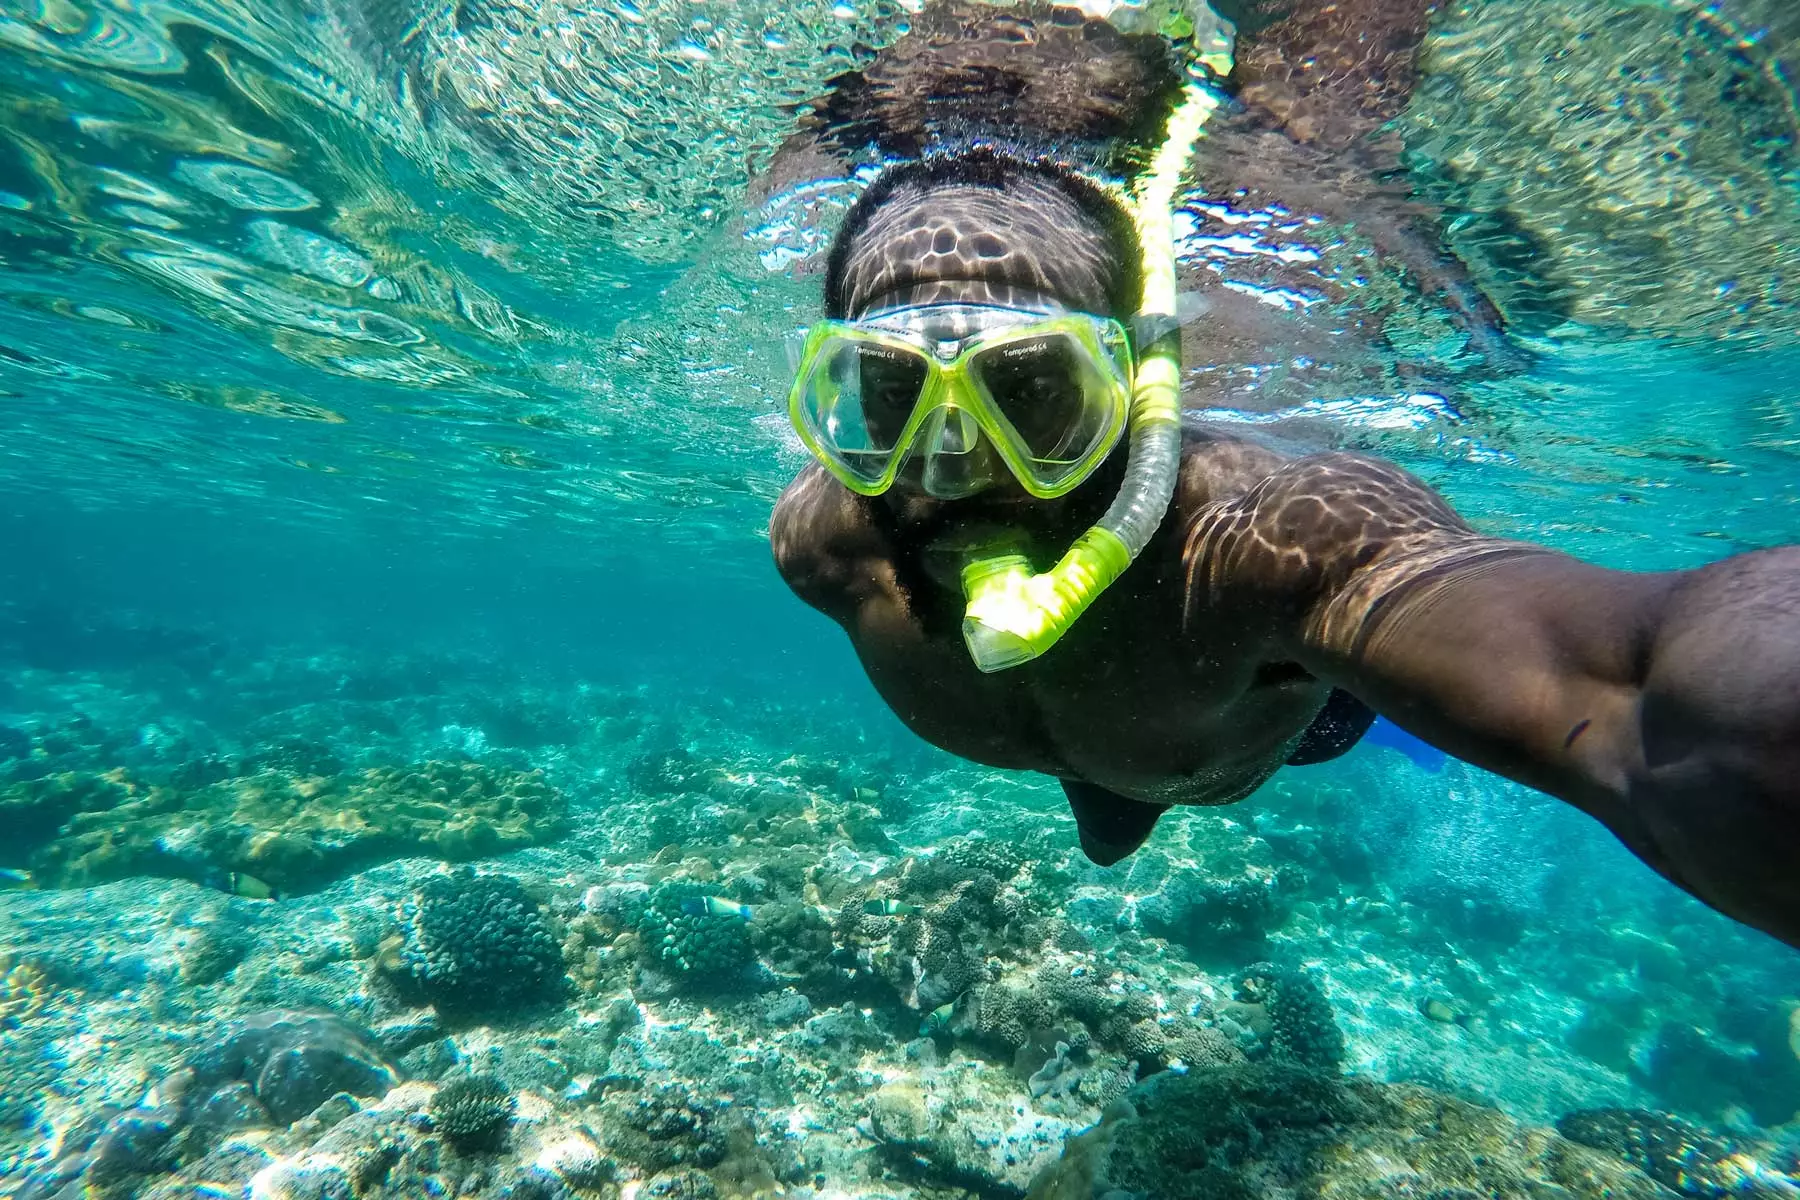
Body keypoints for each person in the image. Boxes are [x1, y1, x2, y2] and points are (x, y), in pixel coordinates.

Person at [766, 0, 1800, 949]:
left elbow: (1621, 690)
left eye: (1030, 386)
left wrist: (1739, 723)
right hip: (1146, 746)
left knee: (1233, 749)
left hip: (1272, 716)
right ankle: (1119, 794)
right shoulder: (824, 544)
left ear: (1137, 385)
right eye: (895, 389)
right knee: (1112, 820)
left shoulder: (1265, 542)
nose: (959, 460)